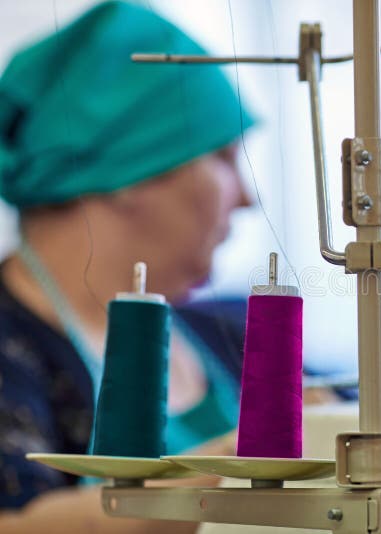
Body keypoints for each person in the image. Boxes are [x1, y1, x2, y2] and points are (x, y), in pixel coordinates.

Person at [0, 2, 255, 532]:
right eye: (223, 158)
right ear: (130, 171)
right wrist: (238, 469)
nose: (249, 199)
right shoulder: (12, 358)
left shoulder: (229, 334)